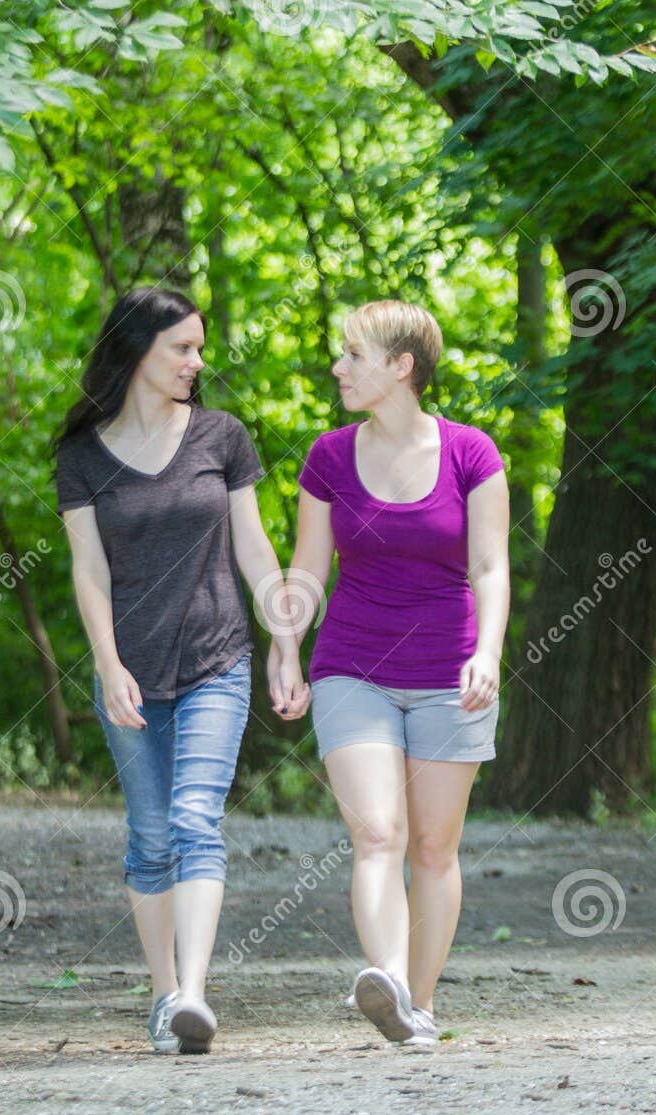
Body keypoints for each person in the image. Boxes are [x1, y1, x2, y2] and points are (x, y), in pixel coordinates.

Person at [53, 286, 307, 1055]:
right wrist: (105, 664)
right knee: (150, 835)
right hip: (128, 667)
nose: (197, 363)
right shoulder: (82, 454)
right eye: (182, 349)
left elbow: (255, 548)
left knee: (198, 821)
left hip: (214, 656)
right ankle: (163, 995)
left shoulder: (221, 438)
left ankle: (194, 996)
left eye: (199, 348)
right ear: (136, 351)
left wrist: (285, 640)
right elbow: (87, 569)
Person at [274, 299, 510, 1046]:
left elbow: (489, 566)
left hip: (450, 670)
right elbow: (307, 569)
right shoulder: (329, 457)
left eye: (353, 354)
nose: (338, 366)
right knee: (378, 832)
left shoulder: (473, 454)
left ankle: (419, 1007)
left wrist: (489, 653)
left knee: (434, 849)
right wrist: (284, 650)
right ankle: (388, 981)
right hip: (352, 666)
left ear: (401, 366)